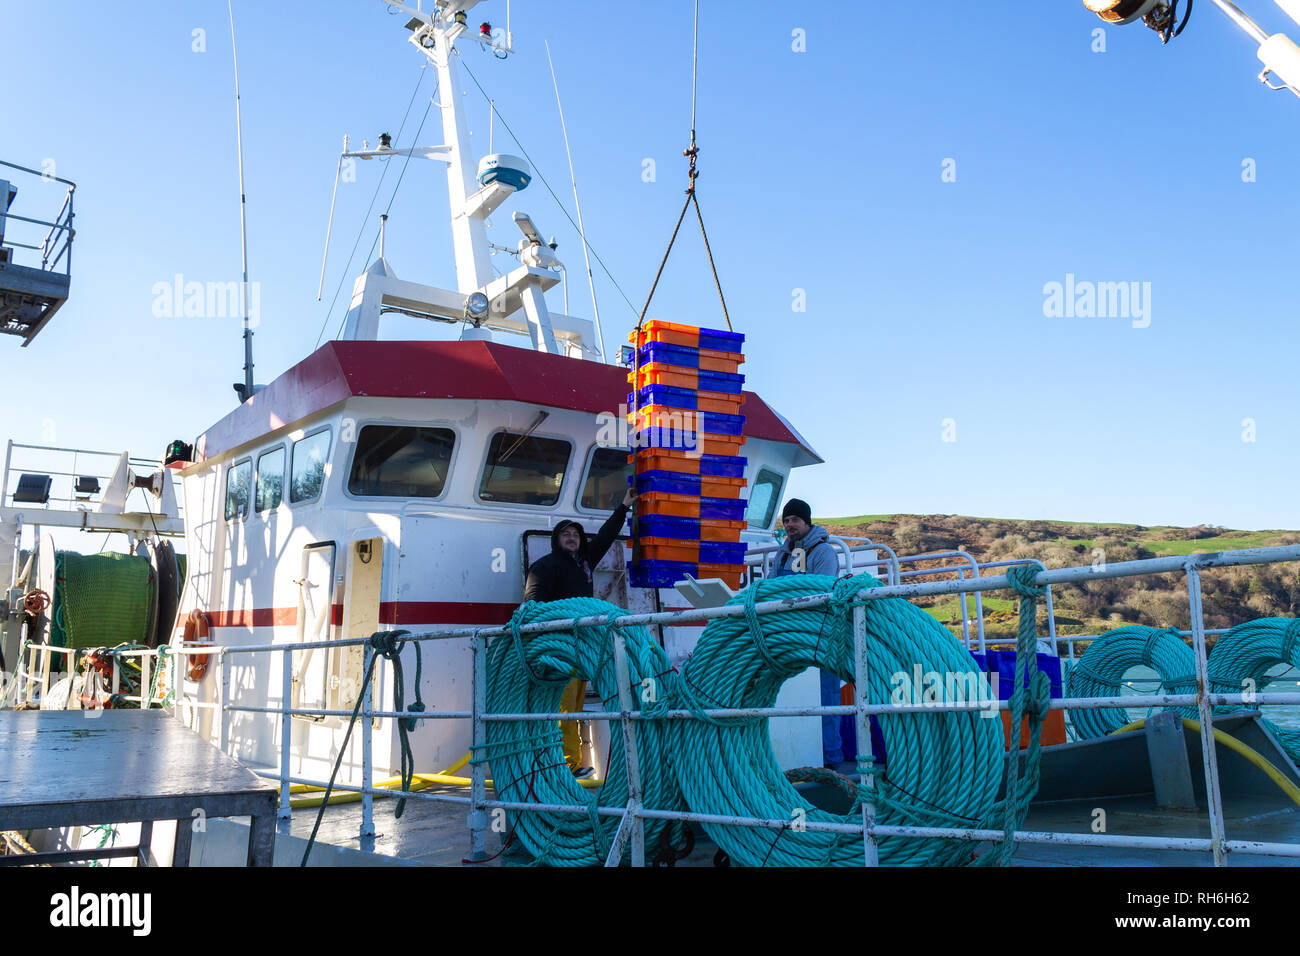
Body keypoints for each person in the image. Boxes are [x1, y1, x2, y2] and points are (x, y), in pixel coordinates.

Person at [523, 487, 635, 777]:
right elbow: (532, 605)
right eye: (566, 534)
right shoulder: (544, 567)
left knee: (574, 704)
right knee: (562, 706)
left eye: (576, 534)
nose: (572, 538)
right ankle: (566, 766)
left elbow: (607, 536)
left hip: (581, 645)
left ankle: (570, 764)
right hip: (559, 646)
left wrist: (623, 506)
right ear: (556, 541)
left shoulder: (584, 562)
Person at [771, 498, 845, 769]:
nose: (790, 525)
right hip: (789, 636)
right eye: (787, 520)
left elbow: (824, 590)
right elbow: (770, 587)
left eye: (795, 520)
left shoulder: (823, 551)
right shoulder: (782, 553)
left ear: (807, 522)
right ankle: (799, 758)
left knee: (826, 697)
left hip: (820, 633)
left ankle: (831, 762)